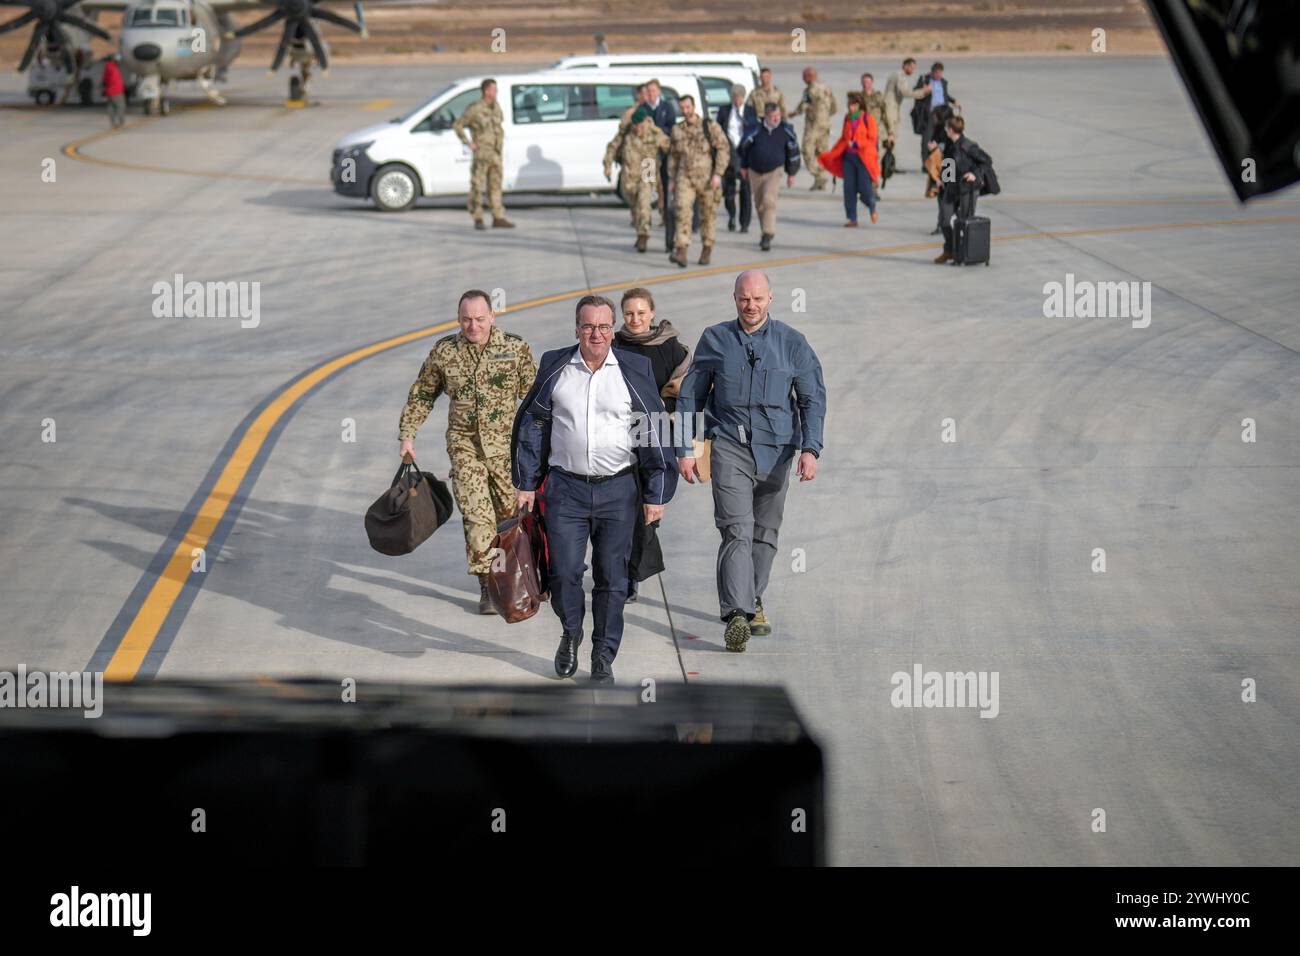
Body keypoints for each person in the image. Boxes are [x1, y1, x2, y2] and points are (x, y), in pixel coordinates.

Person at [512, 296, 678, 683]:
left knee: (612, 578)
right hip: (565, 490)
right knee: (564, 572)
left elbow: (652, 430)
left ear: (613, 328)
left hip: (619, 491)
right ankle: (571, 632)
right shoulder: (556, 365)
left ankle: (603, 655)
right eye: (588, 326)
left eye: (604, 326)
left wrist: (656, 493)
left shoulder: (634, 369)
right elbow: (534, 424)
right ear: (577, 329)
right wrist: (526, 482)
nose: (597, 334)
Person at [673, 271, 826, 652]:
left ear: (770, 299)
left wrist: (811, 449)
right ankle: (737, 614)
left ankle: (753, 598)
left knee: (765, 533)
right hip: (729, 447)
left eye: (757, 299)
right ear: (734, 298)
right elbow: (690, 396)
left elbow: (812, 399)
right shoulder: (716, 339)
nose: (751, 305)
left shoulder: (792, 344)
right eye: (744, 299)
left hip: (778, 452)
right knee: (735, 528)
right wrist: (685, 448)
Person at [398, 290, 538, 613]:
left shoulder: (515, 349)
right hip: (465, 448)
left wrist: (544, 445)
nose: (472, 326)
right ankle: (488, 585)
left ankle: (513, 579)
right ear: (458, 319)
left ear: (492, 317)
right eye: (465, 320)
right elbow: (423, 393)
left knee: (508, 518)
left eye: (479, 319)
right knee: (477, 517)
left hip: (506, 448)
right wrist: (407, 435)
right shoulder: (445, 352)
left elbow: (535, 399)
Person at [614, 287, 691, 602]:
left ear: (653, 313)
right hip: (619, 438)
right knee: (621, 510)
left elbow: (688, 396)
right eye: (629, 313)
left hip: (657, 436)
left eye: (641, 313)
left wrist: (689, 451)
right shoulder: (613, 345)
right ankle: (620, 573)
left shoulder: (673, 350)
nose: (635, 319)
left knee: (648, 509)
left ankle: (632, 576)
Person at [667, 94, 730, 267]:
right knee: (682, 211)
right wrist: (672, 178)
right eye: (683, 108)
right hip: (684, 177)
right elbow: (673, 156)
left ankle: (707, 248)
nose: (685, 111)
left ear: (694, 107)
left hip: (707, 178)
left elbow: (723, 148)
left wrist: (718, 173)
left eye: (688, 107)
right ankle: (681, 250)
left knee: (707, 214)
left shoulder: (709, 126)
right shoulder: (677, 129)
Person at [604, 105, 671, 252]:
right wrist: (607, 165)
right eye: (634, 125)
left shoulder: (654, 132)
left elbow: (670, 146)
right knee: (635, 208)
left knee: (644, 203)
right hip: (629, 173)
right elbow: (612, 147)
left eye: (639, 125)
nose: (637, 128)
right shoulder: (626, 132)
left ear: (644, 122)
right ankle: (639, 231)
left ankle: (644, 235)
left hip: (648, 169)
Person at [453, 79, 515, 230]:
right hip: (481, 153)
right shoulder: (475, 108)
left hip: (495, 152)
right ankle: (478, 218)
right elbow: (458, 125)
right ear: (486, 91)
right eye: (493, 89)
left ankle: (498, 217)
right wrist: (468, 143)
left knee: (495, 185)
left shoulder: (496, 106)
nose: (496, 92)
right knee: (477, 185)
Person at [738, 102, 801, 252]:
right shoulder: (755, 130)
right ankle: (765, 230)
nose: (776, 119)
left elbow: (793, 153)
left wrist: (791, 173)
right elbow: (743, 149)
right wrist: (744, 166)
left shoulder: (786, 130)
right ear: (765, 116)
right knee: (759, 204)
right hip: (755, 171)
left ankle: (767, 234)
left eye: (778, 115)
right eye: (773, 116)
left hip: (774, 171)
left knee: (769, 200)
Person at [934, 115, 993, 264]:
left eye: (947, 128)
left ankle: (963, 253)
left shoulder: (968, 146)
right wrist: (943, 180)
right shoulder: (949, 144)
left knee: (964, 221)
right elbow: (948, 163)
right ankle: (950, 250)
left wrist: (975, 174)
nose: (945, 130)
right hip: (952, 187)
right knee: (944, 220)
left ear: (952, 130)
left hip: (967, 188)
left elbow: (986, 160)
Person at [818, 91, 881, 227]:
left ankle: (871, 205)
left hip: (863, 158)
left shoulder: (867, 118)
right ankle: (852, 218)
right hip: (849, 158)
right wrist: (834, 151)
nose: (851, 108)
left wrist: (858, 144)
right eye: (849, 105)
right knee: (849, 188)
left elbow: (873, 139)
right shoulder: (847, 118)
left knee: (864, 188)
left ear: (859, 105)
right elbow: (844, 137)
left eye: (853, 105)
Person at [642, 79, 679, 246]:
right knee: (646, 191)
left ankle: (667, 230)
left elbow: (671, 128)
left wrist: (657, 130)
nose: (651, 93)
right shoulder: (643, 109)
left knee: (665, 193)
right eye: (648, 91)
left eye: (653, 90)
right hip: (648, 159)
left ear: (658, 91)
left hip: (664, 157)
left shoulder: (667, 107)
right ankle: (643, 230)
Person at [789, 66, 837, 191]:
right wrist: (825, 117)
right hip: (825, 124)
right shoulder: (826, 87)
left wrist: (793, 114)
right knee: (821, 152)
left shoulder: (810, 90)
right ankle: (820, 181)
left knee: (807, 149)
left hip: (814, 124)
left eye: (804, 77)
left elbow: (803, 106)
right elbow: (834, 106)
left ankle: (819, 175)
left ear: (808, 77)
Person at [716, 84, 756, 233]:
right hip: (728, 153)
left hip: (744, 154)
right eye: (734, 97)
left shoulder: (751, 111)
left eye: (739, 97)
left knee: (745, 189)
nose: (737, 100)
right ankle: (731, 215)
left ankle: (744, 223)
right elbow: (718, 131)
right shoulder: (724, 111)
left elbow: (754, 131)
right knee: (729, 191)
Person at [911, 62, 958, 171]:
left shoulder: (943, 82)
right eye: (936, 72)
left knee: (946, 138)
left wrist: (954, 101)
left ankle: (945, 163)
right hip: (931, 115)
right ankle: (926, 164)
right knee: (927, 139)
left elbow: (945, 95)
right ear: (932, 72)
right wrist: (924, 90)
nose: (938, 75)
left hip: (944, 114)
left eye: (940, 73)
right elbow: (915, 93)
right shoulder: (925, 80)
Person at [883, 58, 929, 167]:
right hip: (891, 108)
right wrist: (923, 92)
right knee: (891, 135)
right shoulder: (900, 76)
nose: (913, 70)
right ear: (905, 66)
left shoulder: (898, 75)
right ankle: (888, 164)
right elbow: (905, 92)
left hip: (893, 107)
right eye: (912, 67)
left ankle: (890, 164)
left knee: (893, 135)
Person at [924, 103, 956, 234]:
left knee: (946, 198)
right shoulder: (938, 129)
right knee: (940, 197)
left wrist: (945, 178)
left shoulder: (950, 132)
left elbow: (950, 154)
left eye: (936, 116)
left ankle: (945, 224)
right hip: (939, 166)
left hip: (948, 166)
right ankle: (942, 224)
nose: (934, 118)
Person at [859, 73, 890, 149]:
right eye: (865, 82)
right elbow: (853, 116)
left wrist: (890, 132)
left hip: (876, 130)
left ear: (872, 83)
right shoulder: (858, 97)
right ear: (861, 83)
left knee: (875, 153)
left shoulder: (878, 96)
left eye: (869, 82)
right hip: (862, 131)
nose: (866, 85)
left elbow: (886, 114)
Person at [103, 54, 125, 129]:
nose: (119, 62)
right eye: (118, 61)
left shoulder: (109, 67)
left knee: (111, 107)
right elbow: (112, 80)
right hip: (116, 91)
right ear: (114, 60)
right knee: (121, 106)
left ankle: (113, 123)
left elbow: (105, 79)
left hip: (110, 91)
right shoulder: (112, 68)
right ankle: (121, 123)